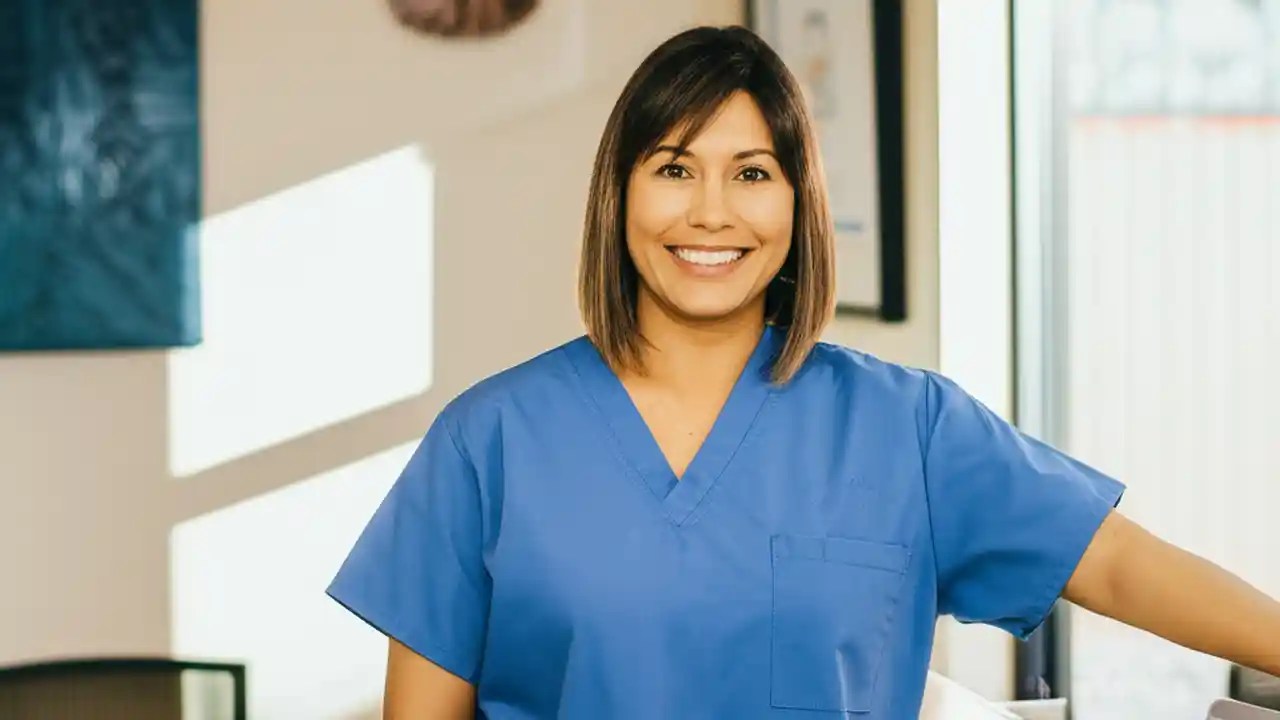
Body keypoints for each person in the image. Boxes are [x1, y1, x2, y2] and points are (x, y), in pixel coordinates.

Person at [327, 25, 1280, 719]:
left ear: (799, 203)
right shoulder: (488, 440)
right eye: (672, 167)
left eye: (751, 173)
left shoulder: (906, 426)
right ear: (619, 196)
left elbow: (1111, 559)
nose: (710, 213)